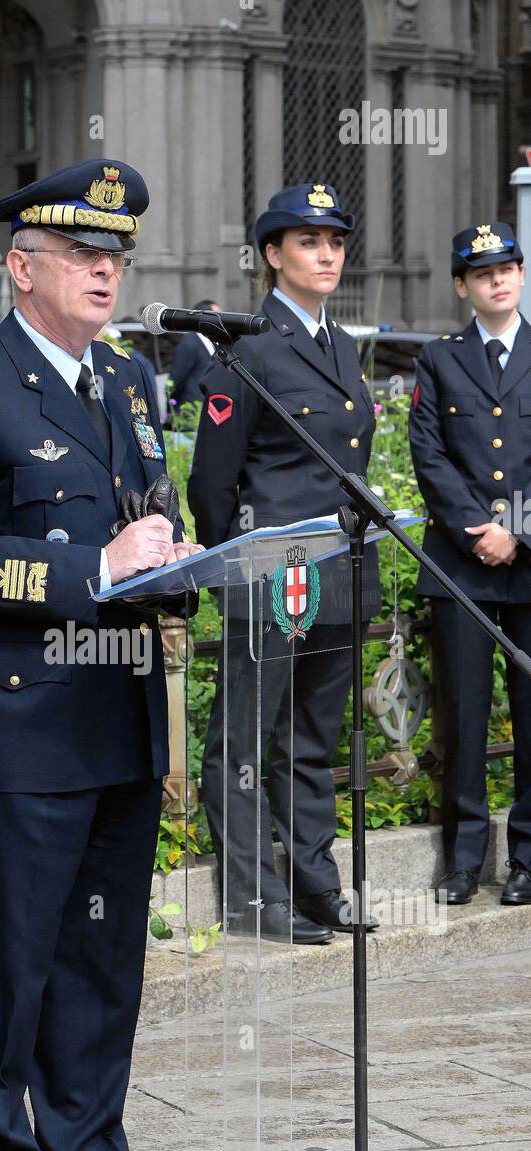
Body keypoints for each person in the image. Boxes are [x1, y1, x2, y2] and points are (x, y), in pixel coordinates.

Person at [0, 159, 201, 1151]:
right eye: (84, 256)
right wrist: (93, 565)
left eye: (114, 256)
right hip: (18, 730)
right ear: (20, 269)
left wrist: (179, 557)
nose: (105, 272)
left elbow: (149, 512)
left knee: (98, 961)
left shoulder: (125, 383)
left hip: (117, 714)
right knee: (6, 965)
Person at [188, 182, 381, 945]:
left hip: (337, 576)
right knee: (241, 742)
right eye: (308, 242)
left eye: (335, 242)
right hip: (271, 575)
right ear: (272, 255)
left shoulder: (340, 344)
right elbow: (212, 484)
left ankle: (315, 888)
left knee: (310, 742)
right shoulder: (248, 349)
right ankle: (255, 899)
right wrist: (239, 564)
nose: (326, 254)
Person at [409, 221, 531, 907]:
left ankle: (529, 860)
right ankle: (463, 860)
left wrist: (516, 532)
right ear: (463, 286)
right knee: (465, 715)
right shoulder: (438, 359)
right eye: (483, 273)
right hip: (461, 566)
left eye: (508, 267)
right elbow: (429, 455)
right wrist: (479, 534)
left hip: (529, 563)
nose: (498, 279)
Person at [169, 298, 221, 407]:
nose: (221, 321)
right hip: (191, 409)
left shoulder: (213, 341)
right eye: (217, 316)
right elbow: (177, 377)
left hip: (209, 405)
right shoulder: (189, 342)